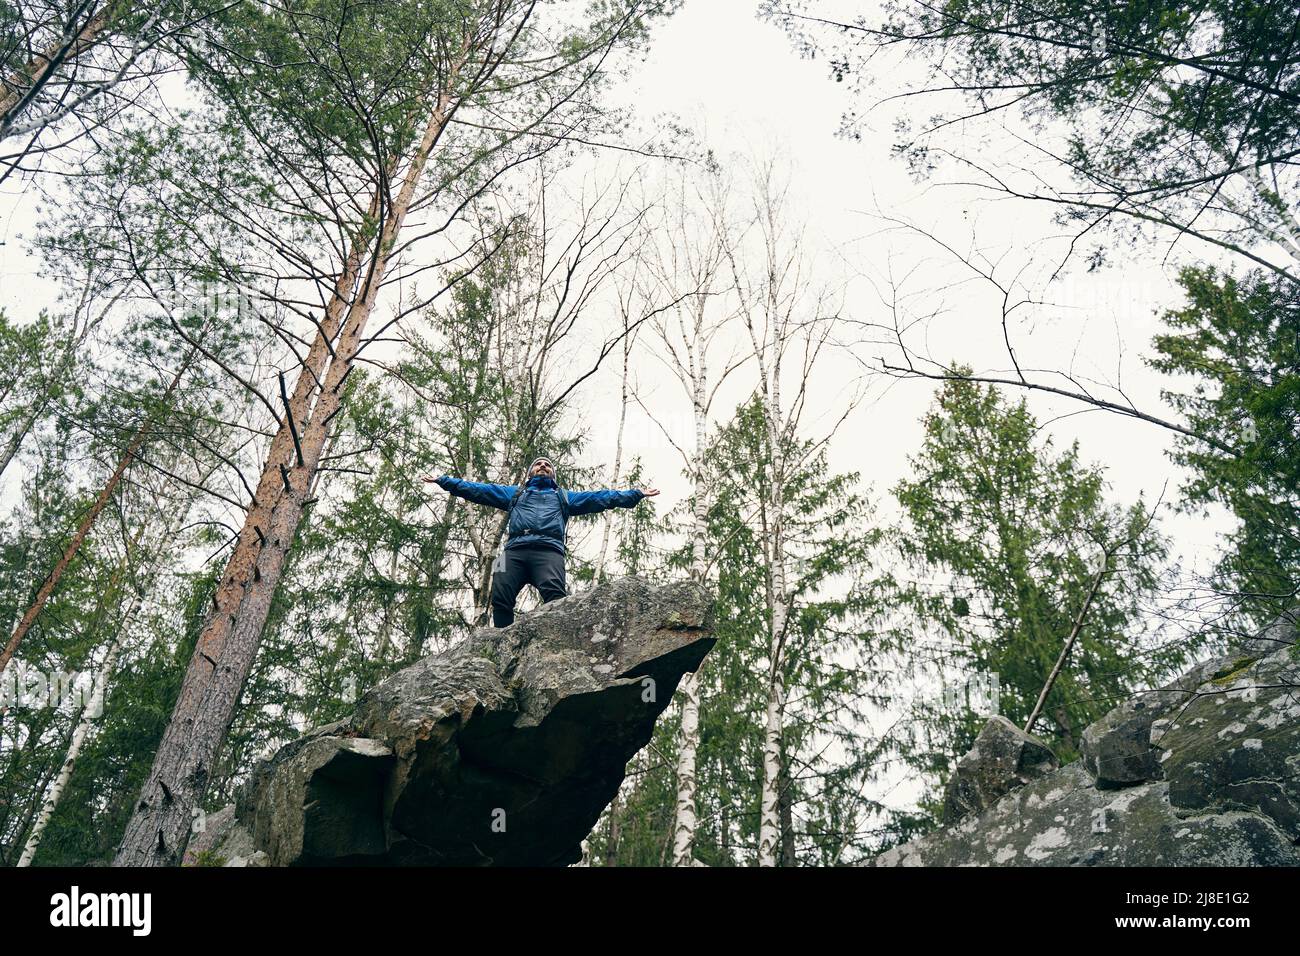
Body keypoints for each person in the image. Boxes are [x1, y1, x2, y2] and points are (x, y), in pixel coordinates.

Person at [424, 455, 659, 627]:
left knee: (556, 598)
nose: (543, 466)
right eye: (538, 464)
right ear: (530, 472)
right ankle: (503, 643)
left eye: (547, 465)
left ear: (553, 474)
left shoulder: (564, 497)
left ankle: (553, 641)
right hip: (513, 551)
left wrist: (635, 494)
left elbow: (601, 498)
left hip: (549, 552)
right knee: (499, 594)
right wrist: (444, 481)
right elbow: (478, 490)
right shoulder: (515, 493)